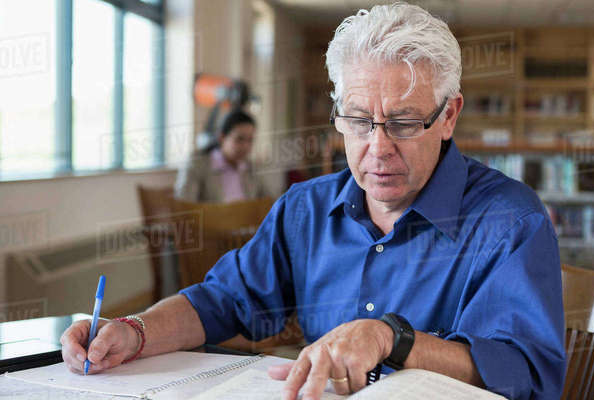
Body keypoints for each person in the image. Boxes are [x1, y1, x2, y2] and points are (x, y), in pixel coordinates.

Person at [60, 3, 566, 399]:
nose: (378, 147)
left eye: (405, 123)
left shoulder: (509, 220)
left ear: (449, 115)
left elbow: (529, 375)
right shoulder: (303, 209)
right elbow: (223, 301)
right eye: (359, 120)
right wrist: (134, 331)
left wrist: (392, 339)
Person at [174, 108, 269, 202]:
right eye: (240, 139)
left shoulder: (250, 167)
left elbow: (268, 203)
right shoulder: (197, 165)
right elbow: (185, 205)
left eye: (250, 140)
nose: (246, 146)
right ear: (222, 138)